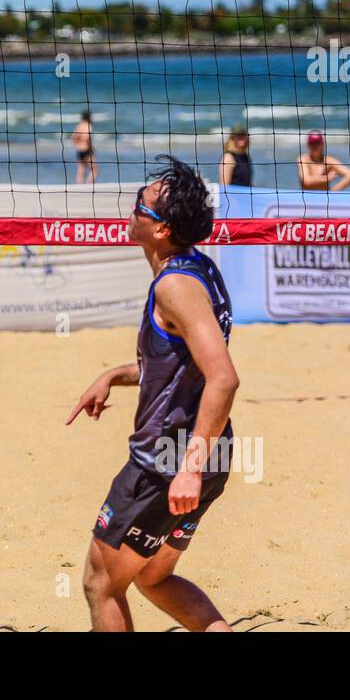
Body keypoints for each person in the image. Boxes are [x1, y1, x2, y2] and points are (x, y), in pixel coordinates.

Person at [68, 156, 238, 632]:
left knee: (102, 585)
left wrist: (189, 466)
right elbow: (182, 367)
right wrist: (115, 375)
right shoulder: (197, 269)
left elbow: (223, 377)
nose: (132, 207)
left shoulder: (176, 286)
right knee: (154, 579)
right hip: (209, 451)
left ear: (162, 229)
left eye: (141, 205)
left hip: (170, 461)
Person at [218, 124, 252, 188]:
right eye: (238, 135)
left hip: (246, 196)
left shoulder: (245, 156)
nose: (241, 137)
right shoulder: (228, 158)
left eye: (243, 135)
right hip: (233, 197)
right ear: (232, 138)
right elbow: (225, 187)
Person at [72, 110, 98, 184]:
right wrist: (90, 147)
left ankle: (79, 186)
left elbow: (73, 137)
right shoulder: (88, 125)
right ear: (89, 117)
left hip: (79, 149)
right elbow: (86, 137)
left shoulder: (79, 125)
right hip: (86, 149)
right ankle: (89, 184)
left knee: (81, 169)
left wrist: (78, 144)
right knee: (95, 169)